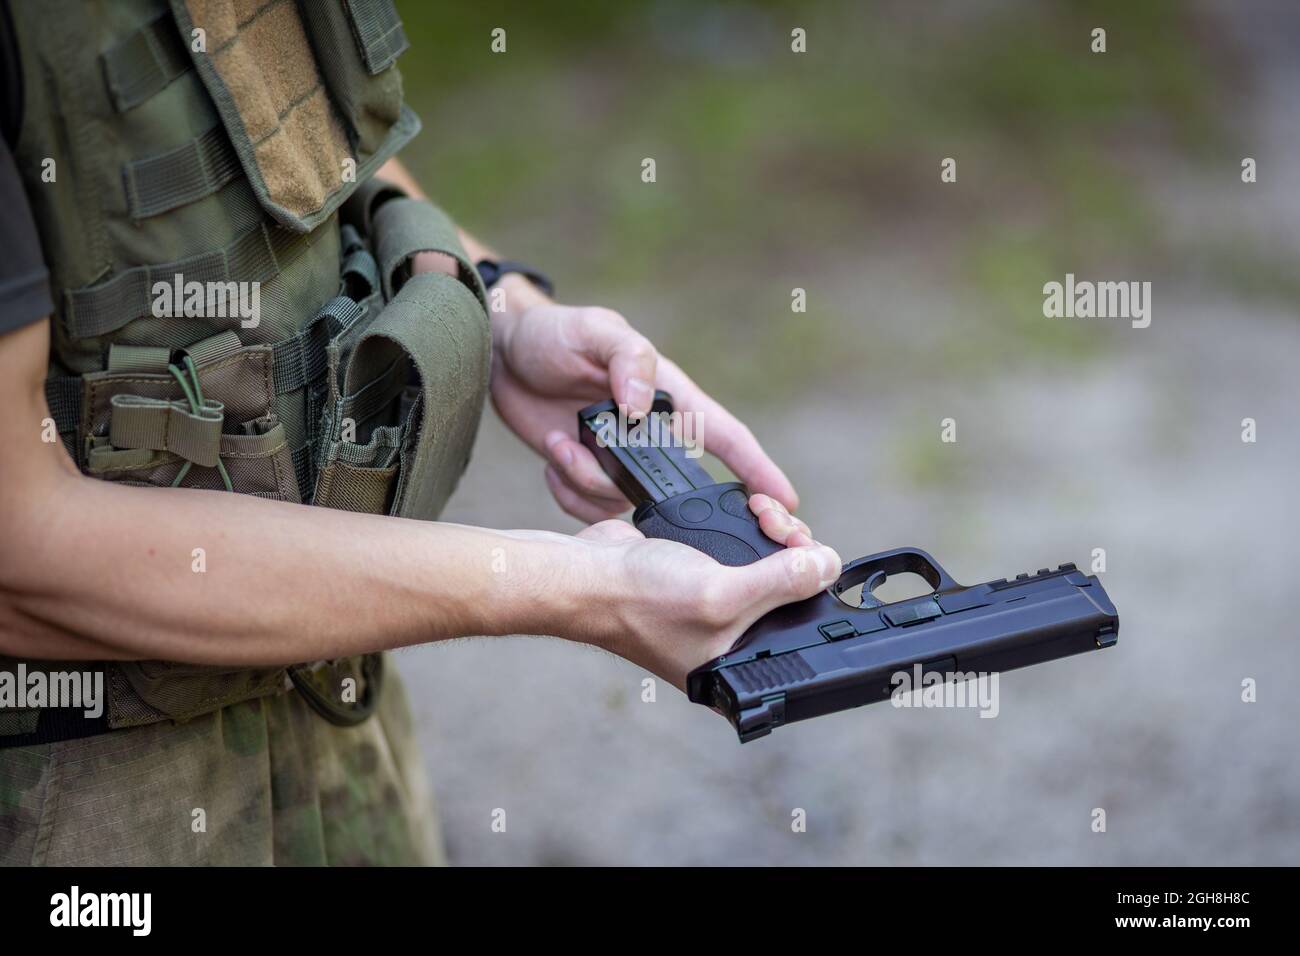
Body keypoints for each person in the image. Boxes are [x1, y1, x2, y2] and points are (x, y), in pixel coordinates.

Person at [0, 0, 840, 865]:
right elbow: (21, 554)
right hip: (87, 806)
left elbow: (318, 160)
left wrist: (503, 311)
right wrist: (582, 587)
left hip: (338, 710)